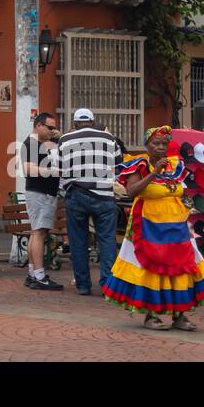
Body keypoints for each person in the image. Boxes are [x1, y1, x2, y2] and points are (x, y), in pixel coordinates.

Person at [104, 126, 204, 330]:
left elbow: (178, 190)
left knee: (183, 265)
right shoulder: (139, 164)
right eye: (155, 144)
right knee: (151, 266)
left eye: (164, 144)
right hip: (148, 226)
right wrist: (154, 173)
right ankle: (151, 315)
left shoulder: (175, 166)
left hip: (176, 225)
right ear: (147, 146)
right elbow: (132, 191)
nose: (160, 147)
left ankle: (180, 315)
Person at [58, 107, 123, 296]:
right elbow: (119, 162)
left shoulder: (65, 139)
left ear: (75, 123)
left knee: (78, 241)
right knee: (107, 240)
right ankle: (107, 285)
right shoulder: (109, 138)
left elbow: (59, 166)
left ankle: (83, 285)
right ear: (93, 122)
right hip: (104, 195)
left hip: (76, 194)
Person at [22, 112, 63, 290]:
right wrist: (53, 170)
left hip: (41, 192)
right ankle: (39, 275)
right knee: (39, 233)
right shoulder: (31, 143)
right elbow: (27, 169)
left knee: (36, 232)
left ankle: (32, 273)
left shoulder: (43, 143)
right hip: (40, 193)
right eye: (49, 127)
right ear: (38, 125)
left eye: (54, 128)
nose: (52, 131)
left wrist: (59, 137)